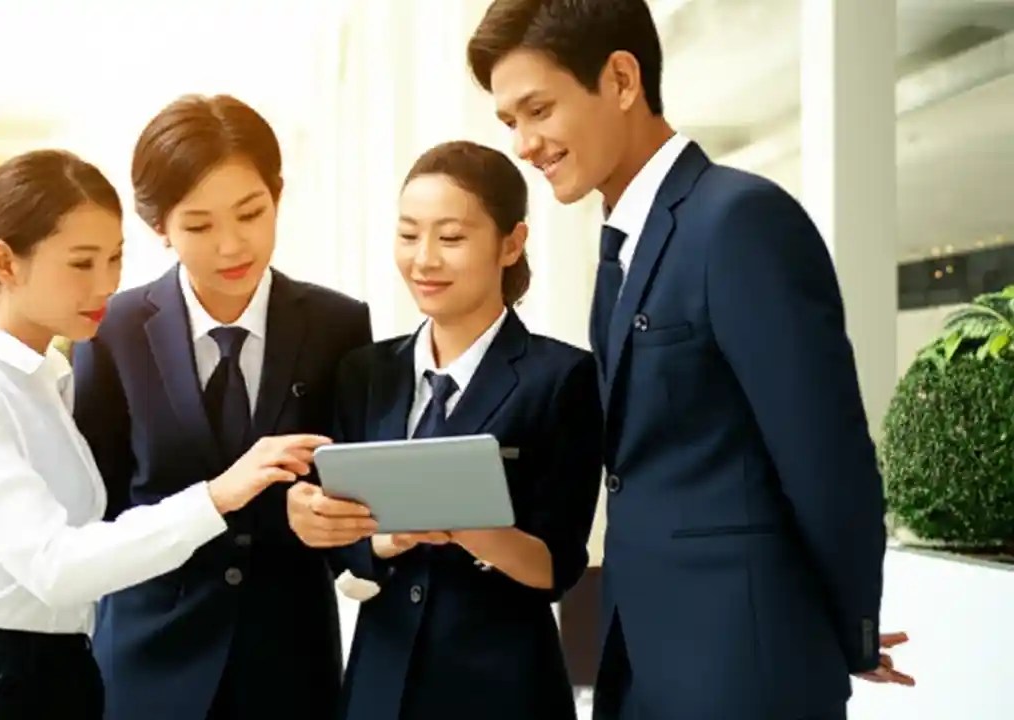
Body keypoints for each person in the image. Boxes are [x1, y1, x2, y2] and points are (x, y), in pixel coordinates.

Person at [465, 2, 915, 719]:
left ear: (619, 79)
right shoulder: (623, 246)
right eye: (509, 122)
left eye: (538, 109)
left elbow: (827, 461)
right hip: (644, 663)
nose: (524, 142)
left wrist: (848, 629)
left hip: (744, 672)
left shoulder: (738, 221)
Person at [0, 149, 324, 720]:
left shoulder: (46, 381)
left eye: (115, 259)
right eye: (81, 263)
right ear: (4, 263)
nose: (106, 284)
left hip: (57, 675)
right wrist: (218, 495)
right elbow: (56, 567)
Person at [72, 94, 375, 720]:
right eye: (200, 225)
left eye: (251, 213)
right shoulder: (114, 329)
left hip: (288, 661)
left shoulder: (337, 325)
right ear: (160, 227)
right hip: (148, 657)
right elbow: (94, 512)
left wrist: (323, 513)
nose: (232, 246)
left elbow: (352, 484)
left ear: (278, 197)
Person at [287, 140, 602, 720]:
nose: (424, 259)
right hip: (380, 684)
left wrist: (461, 523)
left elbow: (556, 565)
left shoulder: (562, 378)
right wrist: (373, 536)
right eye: (408, 235)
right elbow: (347, 547)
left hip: (502, 687)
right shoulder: (365, 373)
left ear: (511, 244)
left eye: (451, 238)